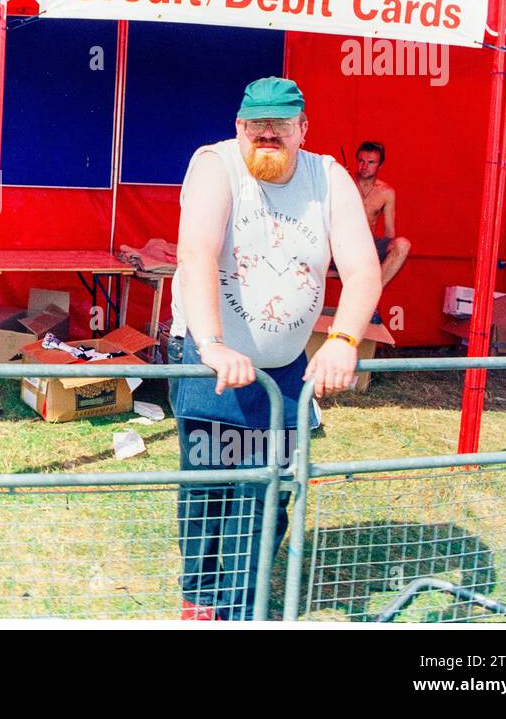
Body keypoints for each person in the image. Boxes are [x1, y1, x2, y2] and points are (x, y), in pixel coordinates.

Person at [169, 76, 381, 620]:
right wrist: (213, 344)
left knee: (271, 487)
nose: (267, 134)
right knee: (211, 482)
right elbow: (197, 256)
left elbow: (361, 271)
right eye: (256, 125)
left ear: (302, 130)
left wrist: (341, 339)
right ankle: (200, 598)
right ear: (238, 127)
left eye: (280, 125)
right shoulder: (215, 166)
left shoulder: (329, 177)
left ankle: (243, 603)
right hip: (210, 355)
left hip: (285, 365)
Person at [354, 141, 411, 287]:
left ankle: (371, 292)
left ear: (380, 165)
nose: (365, 166)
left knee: (402, 245)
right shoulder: (344, 182)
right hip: (341, 244)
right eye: (361, 161)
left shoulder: (386, 192)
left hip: (369, 245)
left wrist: (390, 257)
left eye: (371, 162)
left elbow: (389, 232)